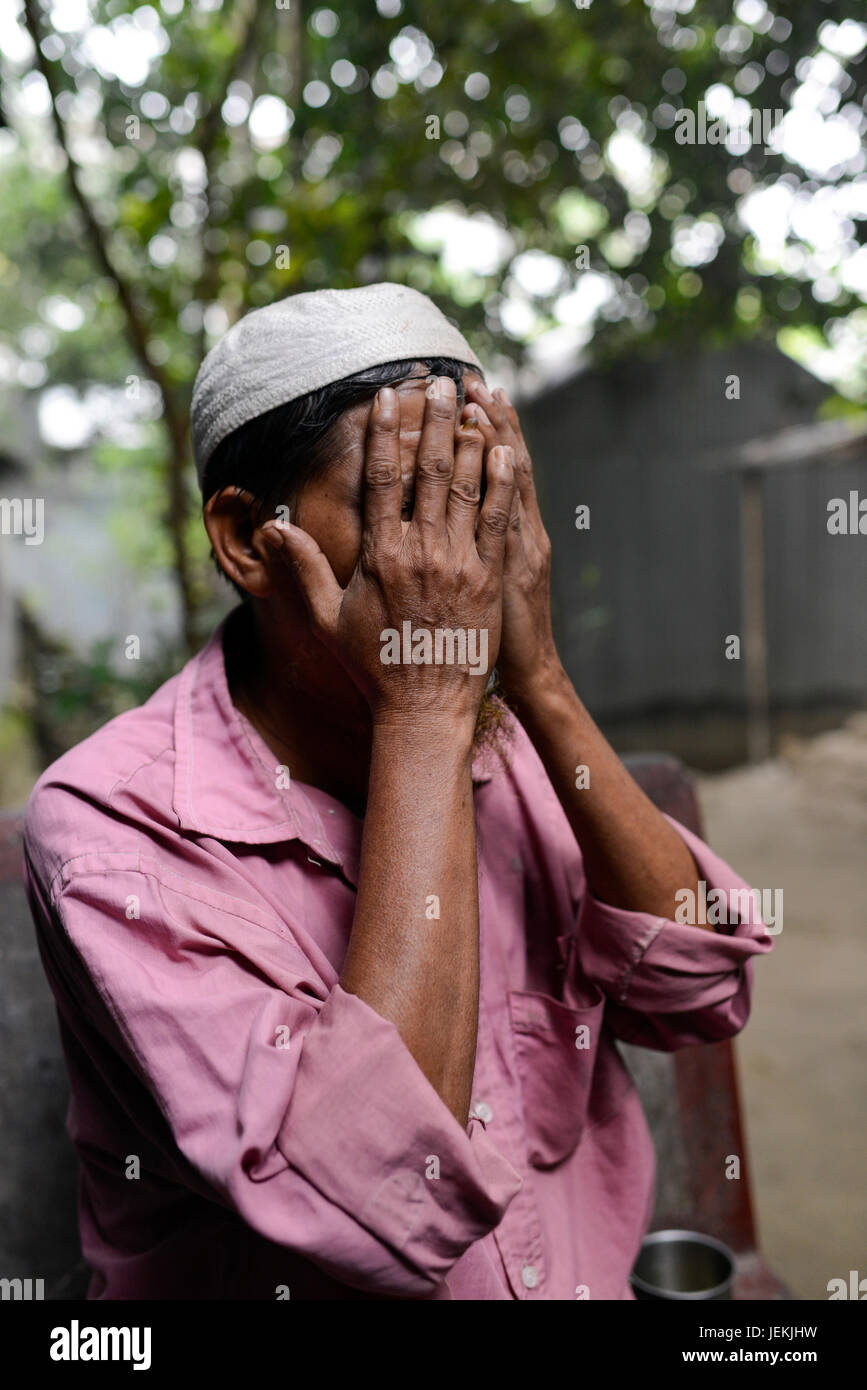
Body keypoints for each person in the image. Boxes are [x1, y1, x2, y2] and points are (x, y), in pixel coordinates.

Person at [23, 282, 773, 1300]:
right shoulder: (116, 828)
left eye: (480, 501)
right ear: (249, 539)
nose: (455, 567)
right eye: (410, 504)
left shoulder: (496, 736)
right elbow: (381, 1203)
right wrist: (420, 705)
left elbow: (701, 992)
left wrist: (540, 678)